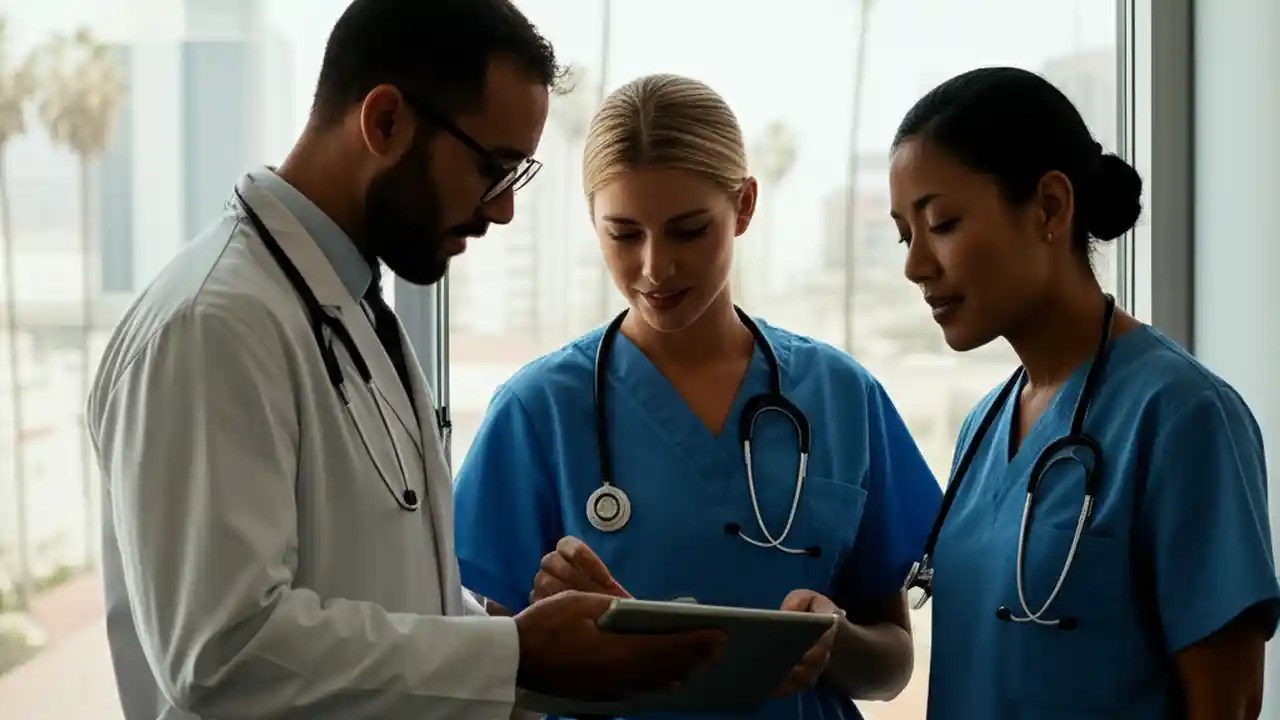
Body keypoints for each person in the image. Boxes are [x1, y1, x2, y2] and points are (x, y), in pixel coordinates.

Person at [84, 3, 724, 718]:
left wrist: (568, 662)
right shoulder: (212, 324)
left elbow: (404, 608)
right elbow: (223, 652)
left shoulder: (348, 307)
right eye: (493, 168)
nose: (504, 210)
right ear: (385, 122)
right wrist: (517, 653)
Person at [451, 73, 944, 719]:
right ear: (592, 220)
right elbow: (489, 682)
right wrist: (555, 635)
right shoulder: (537, 411)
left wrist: (834, 643)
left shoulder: (840, 396)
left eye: (688, 231)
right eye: (624, 234)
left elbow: (890, 668)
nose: (655, 267)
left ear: (742, 207)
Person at [890, 66, 1280, 720]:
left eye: (944, 223)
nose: (915, 265)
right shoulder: (983, 427)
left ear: (1049, 206)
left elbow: (1227, 705)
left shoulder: (1181, 414)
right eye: (906, 235)